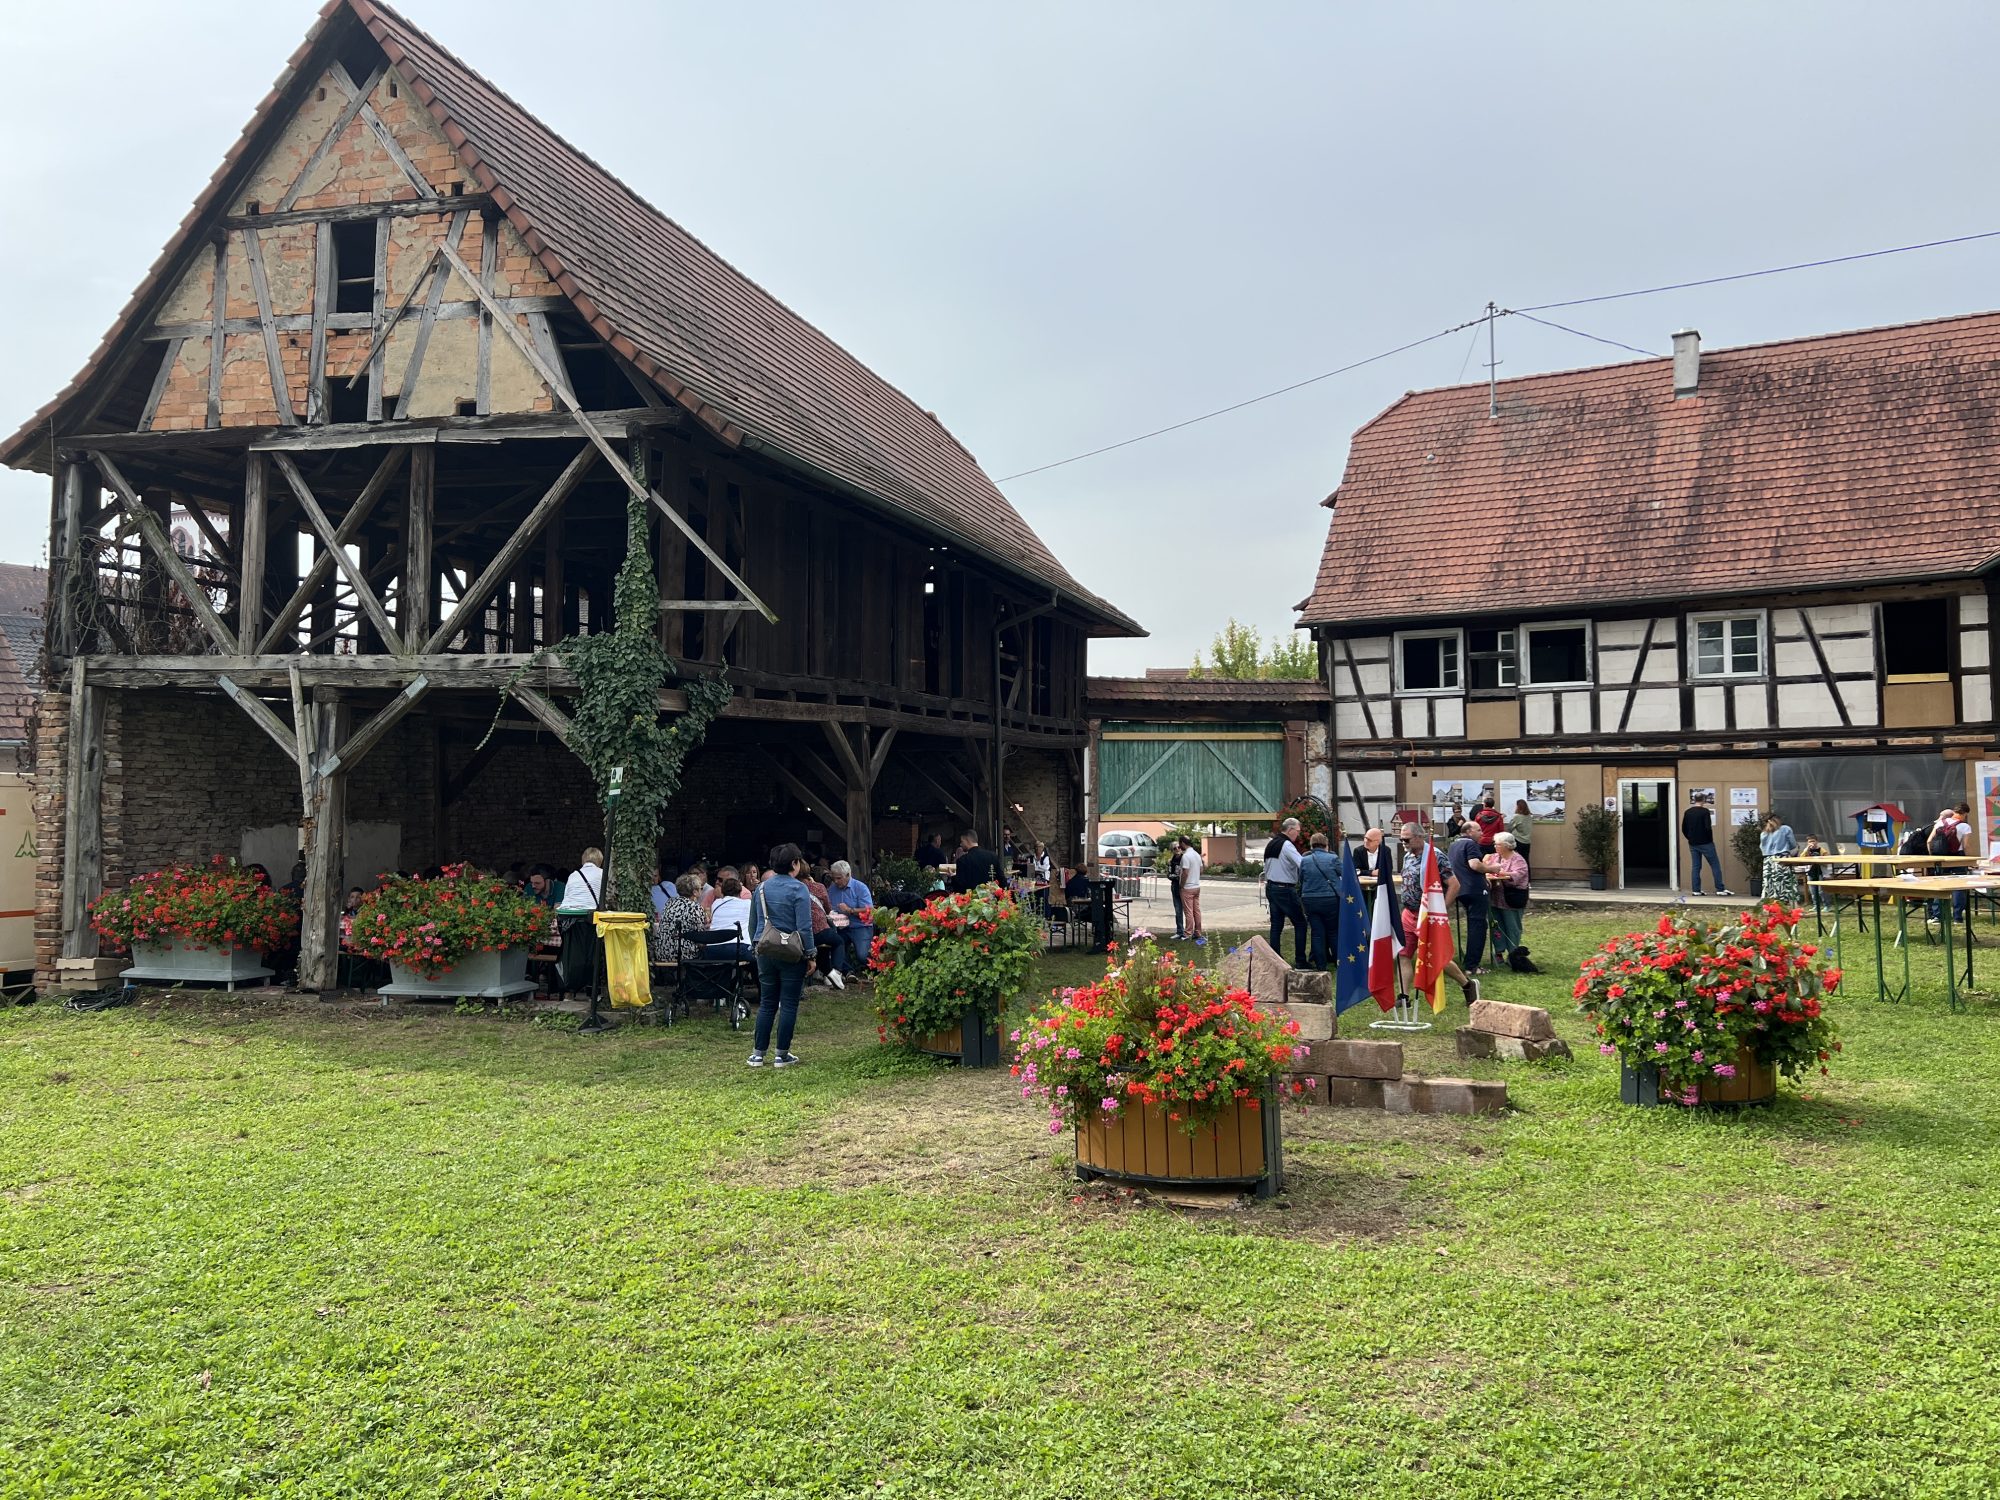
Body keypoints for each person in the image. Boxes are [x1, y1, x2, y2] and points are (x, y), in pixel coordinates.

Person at [748, 843, 815, 1068]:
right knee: (788, 1004)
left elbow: (753, 923)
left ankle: (757, 1054)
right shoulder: (799, 889)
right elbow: (804, 927)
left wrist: (755, 945)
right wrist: (811, 953)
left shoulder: (761, 888)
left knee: (767, 1002)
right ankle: (782, 1054)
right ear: (794, 864)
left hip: (764, 948)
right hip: (791, 951)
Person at [1396, 823, 1480, 1006]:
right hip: (1409, 913)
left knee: (1435, 955)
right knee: (1403, 954)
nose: (1403, 842)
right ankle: (1404, 997)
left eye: (1406, 839)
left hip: (1427, 914)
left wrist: (1441, 911)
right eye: (1401, 839)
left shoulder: (1435, 856)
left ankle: (1467, 984)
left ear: (1419, 837)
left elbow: (1454, 884)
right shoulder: (1408, 856)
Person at [1444, 819, 1491, 975]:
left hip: (1460, 889)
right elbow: (1475, 865)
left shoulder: (1453, 845)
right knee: (1478, 926)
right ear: (1469, 831)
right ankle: (1472, 966)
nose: (1482, 833)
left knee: (1472, 925)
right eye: (1478, 830)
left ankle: (1468, 961)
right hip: (1474, 889)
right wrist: (1492, 868)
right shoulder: (1470, 844)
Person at [1261, 816, 1308, 966]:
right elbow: (1302, 864)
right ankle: (1300, 960)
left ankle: (1275, 960)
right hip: (1285, 889)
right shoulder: (1287, 845)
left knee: (1276, 925)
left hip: (1271, 887)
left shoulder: (1271, 843)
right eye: (1298, 831)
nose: (1298, 835)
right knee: (1301, 923)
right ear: (1291, 829)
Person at [1296, 831, 1344, 970]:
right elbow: (1345, 873)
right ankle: (1338, 961)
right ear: (1326, 845)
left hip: (1310, 899)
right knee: (1333, 932)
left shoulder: (1305, 860)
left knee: (1317, 933)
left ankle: (1320, 965)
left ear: (1312, 845)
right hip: (1330, 899)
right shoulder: (1333, 858)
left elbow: (1301, 879)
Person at [825, 860, 875, 980]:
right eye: (834, 879)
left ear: (848, 875)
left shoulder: (860, 888)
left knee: (863, 956)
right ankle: (848, 972)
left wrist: (850, 910)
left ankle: (877, 969)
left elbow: (870, 911)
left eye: (839, 878)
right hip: (841, 926)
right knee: (836, 946)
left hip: (861, 926)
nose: (836, 882)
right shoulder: (832, 889)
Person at [1485, 832, 1531, 963]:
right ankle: (1498, 952)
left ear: (1506, 846)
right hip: (1495, 898)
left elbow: (1519, 875)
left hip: (1511, 899)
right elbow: (1486, 868)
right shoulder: (1494, 857)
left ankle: (1513, 955)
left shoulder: (1518, 859)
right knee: (1496, 925)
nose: (1495, 846)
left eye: (1497, 844)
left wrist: (1501, 873)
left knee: (1512, 927)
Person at [799, 865, 843, 990]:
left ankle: (826, 973)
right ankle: (836, 972)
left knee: (817, 949)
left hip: (802, 933)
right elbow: (828, 909)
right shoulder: (819, 887)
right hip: (821, 930)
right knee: (838, 941)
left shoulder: (794, 888)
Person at [1681, 792, 1732, 897]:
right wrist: (1709, 840)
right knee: (1715, 865)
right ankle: (1720, 889)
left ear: (1694, 799)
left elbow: (1684, 828)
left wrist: (1690, 838)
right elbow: (1708, 827)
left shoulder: (1688, 812)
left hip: (1693, 843)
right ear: (1703, 800)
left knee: (1696, 866)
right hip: (1706, 843)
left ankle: (1696, 890)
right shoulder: (1705, 812)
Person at [654, 872, 707, 963]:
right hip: (682, 954)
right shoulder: (694, 907)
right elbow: (700, 935)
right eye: (700, 888)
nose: (701, 891)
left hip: (662, 952)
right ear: (694, 892)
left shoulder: (669, 903)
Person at [707, 876, 753, 959]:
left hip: (713, 948)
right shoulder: (748, 904)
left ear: (722, 891)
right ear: (740, 891)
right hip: (738, 947)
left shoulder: (716, 904)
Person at [1760, 815, 1800, 903]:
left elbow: (1762, 848)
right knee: (1788, 882)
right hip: (1782, 858)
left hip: (1768, 860)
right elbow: (1792, 844)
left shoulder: (1764, 833)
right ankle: (1793, 906)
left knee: (1768, 883)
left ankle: (1768, 907)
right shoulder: (1785, 829)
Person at [1178, 836, 1205, 944]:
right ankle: (1198, 932)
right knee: (1196, 911)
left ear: (1183, 843)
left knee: (1188, 911)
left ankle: (1188, 933)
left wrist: (1182, 885)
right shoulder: (1197, 855)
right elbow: (1201, 869)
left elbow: (1185, 872)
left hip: (1187, 887)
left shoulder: (1186, 856)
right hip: (1196, 886)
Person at [1165, 836, 1188, 940]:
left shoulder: (1185, 858)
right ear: (1172, 850)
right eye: (1175, 848)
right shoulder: (1171, 861)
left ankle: (1189, 931)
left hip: (1185, 886)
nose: (1177, 849)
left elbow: (1186, 873)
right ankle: (1180, 931)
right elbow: (1169, 874)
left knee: (1188, 910)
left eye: (1179, 847)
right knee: (1178, 910)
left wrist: (1178, 877)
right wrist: (1176, 877)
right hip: (1175, 886)